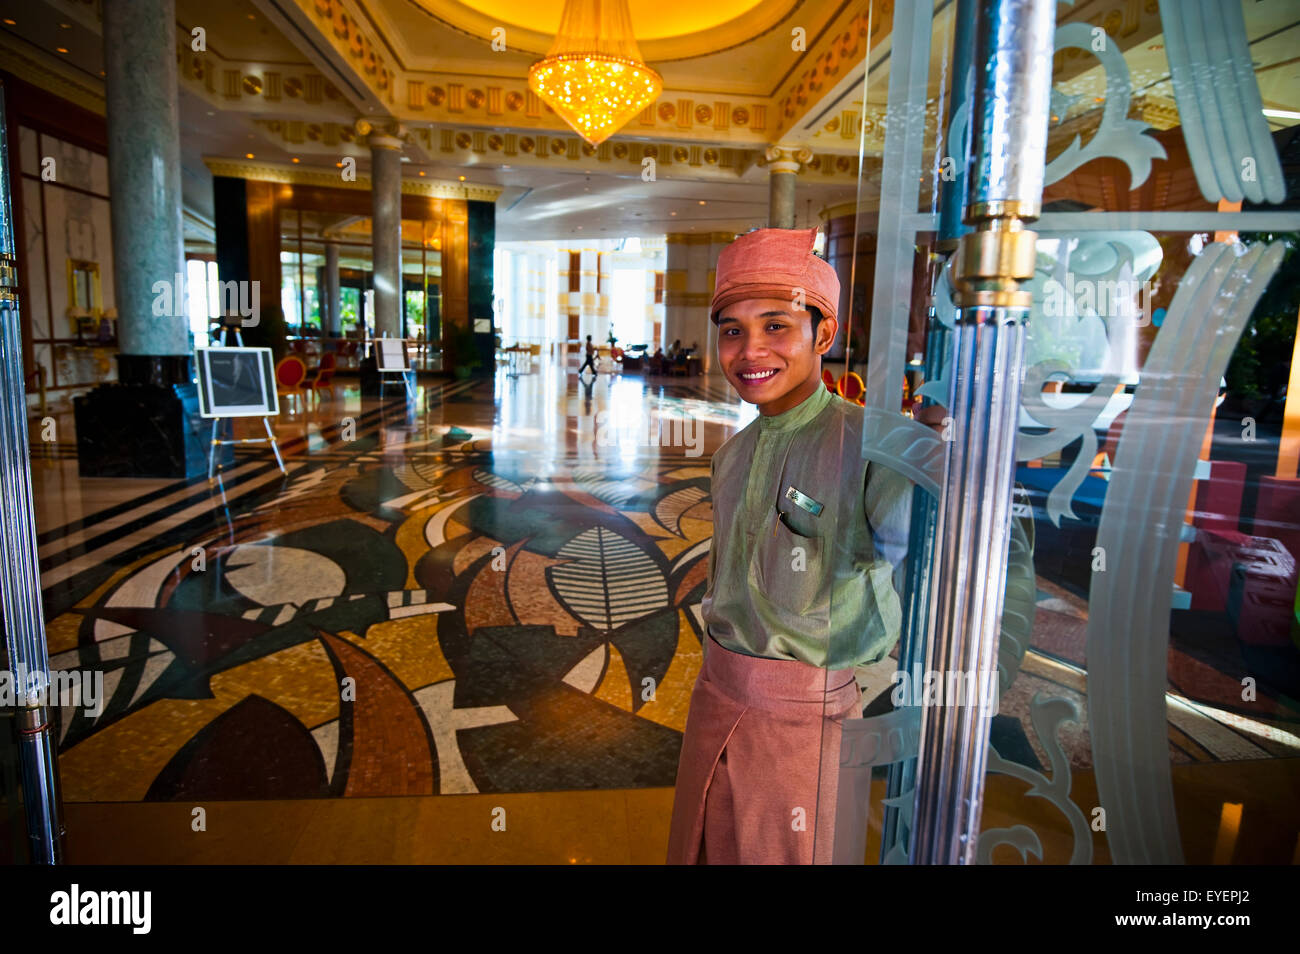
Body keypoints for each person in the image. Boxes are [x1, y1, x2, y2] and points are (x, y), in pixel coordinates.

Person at [666, 226, 915, 865]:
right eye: (732, 330)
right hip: (713, 701)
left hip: (806, 724)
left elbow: (930, 558)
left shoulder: (869, 448)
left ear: (822, 334)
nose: (750, 350)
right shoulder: (733, 454)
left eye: (777, 325)